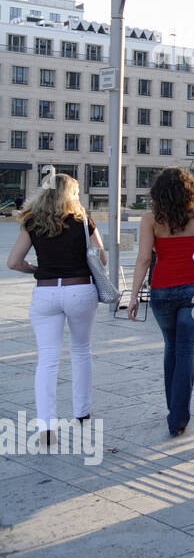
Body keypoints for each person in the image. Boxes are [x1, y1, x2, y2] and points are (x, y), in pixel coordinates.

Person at [127, 167, 194, 437]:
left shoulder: (150, 219)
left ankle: (173, 410)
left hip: (162, 290)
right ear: (191, 191)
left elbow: (143, 259)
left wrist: (132, 296)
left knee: (171, 348)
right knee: (186, 350)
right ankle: (178, 419)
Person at [7, 174, 106, 436]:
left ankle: (46, 425)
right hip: (80, 289)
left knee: (47, 358)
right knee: (81, 350)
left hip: (46, 292)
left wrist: (36, 269)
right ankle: (82, 412)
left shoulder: (32, 222)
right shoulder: (83, 221)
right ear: (71, 195)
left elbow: (13, 262)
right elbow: (102, 258)